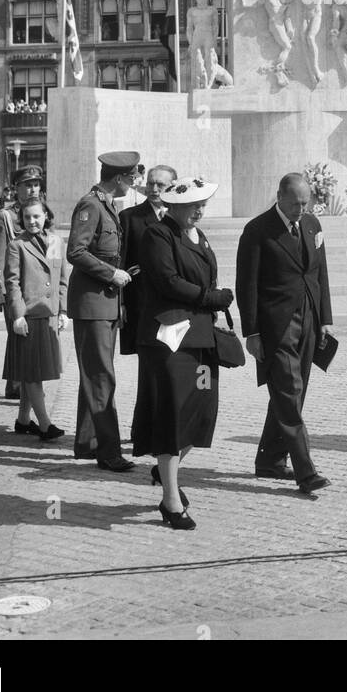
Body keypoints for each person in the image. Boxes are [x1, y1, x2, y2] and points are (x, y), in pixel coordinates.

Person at [131, 177, 230, 529]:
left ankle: (164, 470)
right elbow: (167, 280)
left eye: (203, 204)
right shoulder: (158, 235)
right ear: (173, 206)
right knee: (172, 415)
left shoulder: (198, 236)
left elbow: (205, 278)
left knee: (200, 410)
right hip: (168, 339)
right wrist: (208, 298)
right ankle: (170, 501)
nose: (199, 211)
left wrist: (215, 309)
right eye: (192, 206)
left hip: (201, 336)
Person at [235, 172, 335, 494]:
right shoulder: (257, 231)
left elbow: (320, 274)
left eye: (306, 203)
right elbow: (246, 285)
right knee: (289, 391)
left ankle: (269, 460)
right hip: (275, 326)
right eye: (295, 204)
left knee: (294, 391)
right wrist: (251, 332)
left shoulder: (312, 225)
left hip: (308, 319)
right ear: (278, 197)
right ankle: (306, 471)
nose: (301, 209)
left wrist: (324, 319)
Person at [66, 151, 140, 472]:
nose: (135, 182)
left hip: (105, 302)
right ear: (119, 178)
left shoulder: (106, 204)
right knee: (101, 377)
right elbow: (76, 251)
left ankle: (87, 443)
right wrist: (111, 274)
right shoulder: (91, 205)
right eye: (133, 177)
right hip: (93, 303)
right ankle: (108, 452)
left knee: (95, 374)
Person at [4, 200, 68, 440]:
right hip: (29, 317)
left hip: (48, 315)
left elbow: (60, 277)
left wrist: (62, 310)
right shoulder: (17, 245)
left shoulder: (54, 241)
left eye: (37, 216)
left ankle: (23, 419)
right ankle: (45, 425)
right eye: (28, 217)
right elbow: (12, 282)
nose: (32, 221)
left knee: (34, 371)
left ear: (46, 216)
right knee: (32, 373)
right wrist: (18, 315)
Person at [0, 165, 46, 403]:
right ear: (17, 188)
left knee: (33, 338)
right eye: (27, 185)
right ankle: (17, 385)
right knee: (18, 336)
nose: (32, 189)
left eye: (36, 184)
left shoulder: (43, 213)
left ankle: (20, 384)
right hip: (14, 288)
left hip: (36, 288)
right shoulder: (6, 217)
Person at [118, 165, 179, 357]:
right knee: (147, 360)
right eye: (150, 183)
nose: (153, 189)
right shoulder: (129, 218)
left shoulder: (180, 217)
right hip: (141, 303)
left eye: (160, 184)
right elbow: (121, 261)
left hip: (174, 302)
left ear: (172, 185)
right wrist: (120, 303)